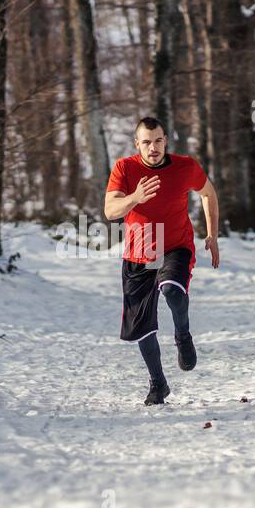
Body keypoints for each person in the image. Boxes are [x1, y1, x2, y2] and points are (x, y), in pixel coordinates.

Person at [104, 116, 220, 405]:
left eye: (158, 141)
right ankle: (158, 384)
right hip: (139, 252)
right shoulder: (125, 168)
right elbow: (110, 211)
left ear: (165, 140)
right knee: (142, 326)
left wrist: (212, 235)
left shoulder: (185, 166)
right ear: (137, 144)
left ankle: (183, 335)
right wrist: (134, 197)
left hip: (175, 247)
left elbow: (208, 193)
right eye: (146, 142)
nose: (153, 147)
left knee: (171, 289)